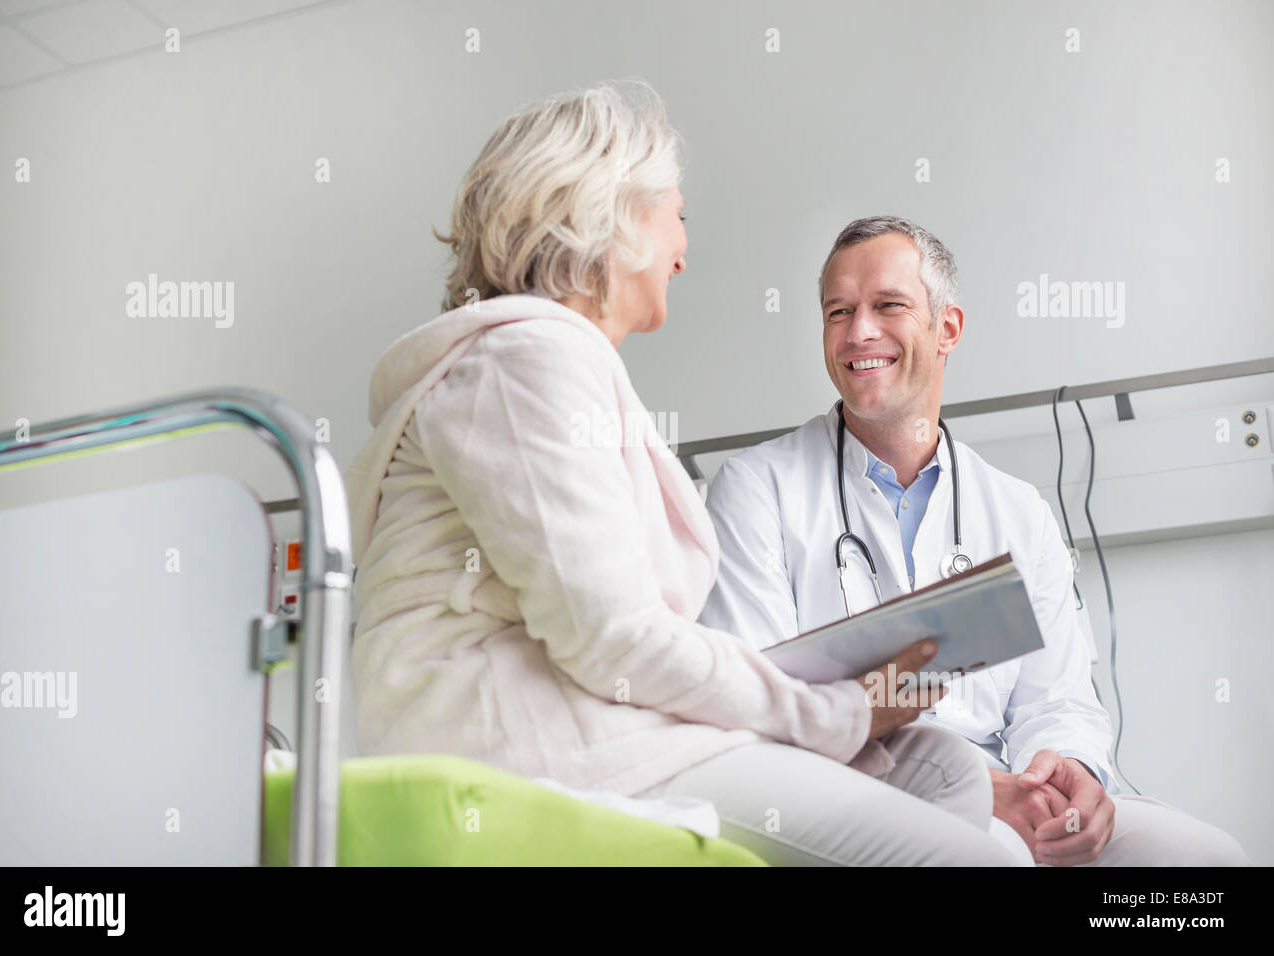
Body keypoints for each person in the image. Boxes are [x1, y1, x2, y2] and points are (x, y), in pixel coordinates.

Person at [342, 83, 1021, 865]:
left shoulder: (556, 365)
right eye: (678, 214)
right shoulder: (523, 364)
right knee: (986, 858)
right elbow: (614, 639)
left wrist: (848, 706)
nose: (683, 251)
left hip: (608, 726)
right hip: (542, 747)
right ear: (614, 211)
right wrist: (833, 711)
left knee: (947, 771)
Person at [699, 214, 1250, 866]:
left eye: (888, 306)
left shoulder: (1018, 511)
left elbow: (1058, 699)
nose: (859, 332)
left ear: (947, 329)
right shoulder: (758, 487)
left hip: (1013, 783)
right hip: (857, 784)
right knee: (994, 855)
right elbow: (755, 709)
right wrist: (976, 792)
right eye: (838, 312)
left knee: (1203, 860)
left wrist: (1069, 775)